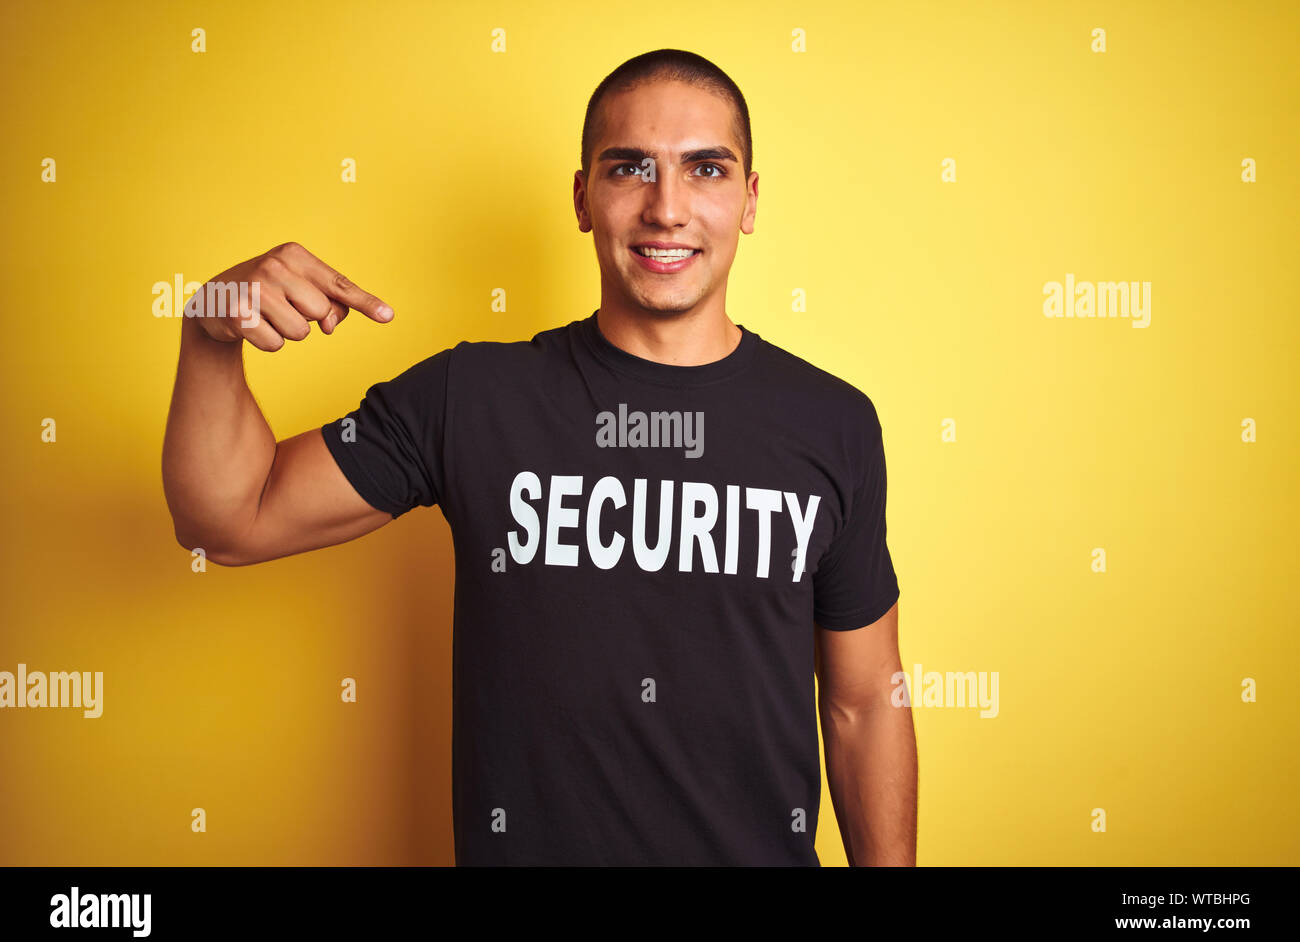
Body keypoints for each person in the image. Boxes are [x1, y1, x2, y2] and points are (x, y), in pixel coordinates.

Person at [162, 48, 915, 866]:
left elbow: (866, 702)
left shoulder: (831, 422)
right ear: (584, 198)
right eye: (630, 168)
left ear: (750, 199)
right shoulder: (472, 396)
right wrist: (207, 335)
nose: (668, 208)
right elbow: (227, 521)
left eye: (706, 169)